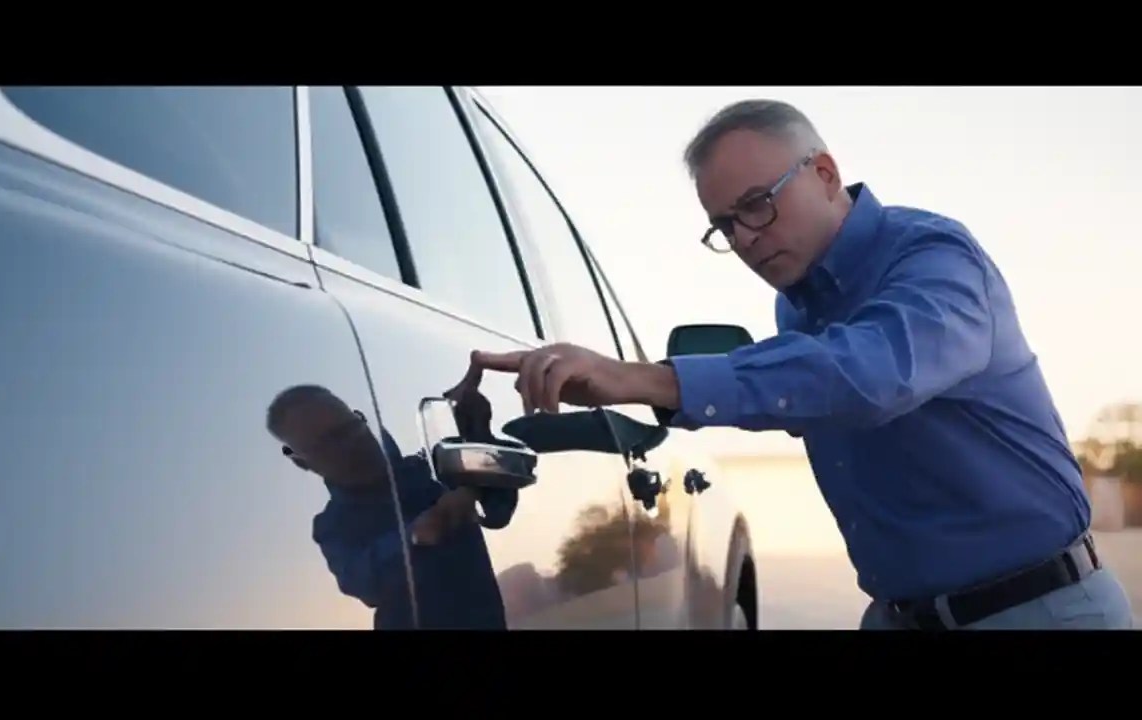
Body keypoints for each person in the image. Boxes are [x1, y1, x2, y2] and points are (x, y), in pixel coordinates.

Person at [459, 98, 1134, 630]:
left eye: (757, 204)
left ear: (825, 173)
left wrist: (646, 377)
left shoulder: (934, 259)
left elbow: (866, 374)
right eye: (726, 225)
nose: (747, 239)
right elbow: (805, 378)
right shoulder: (797, 309)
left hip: (1040, 611)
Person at [265, 384, 513, 629]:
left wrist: (478, 430)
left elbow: (499, 506)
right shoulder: (332, 525)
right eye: (328, 443)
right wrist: (420, 531)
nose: (352, 442)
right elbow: (363, 583)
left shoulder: (430, 467)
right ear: (303, 463)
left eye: (351, 426)